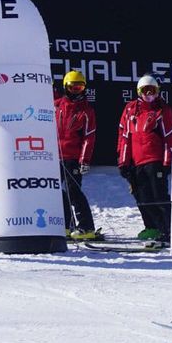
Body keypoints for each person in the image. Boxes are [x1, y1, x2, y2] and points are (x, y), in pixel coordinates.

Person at [116, 74, 172, 247]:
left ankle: (170, 231)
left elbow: (169, 137)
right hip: (137, 161)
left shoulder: (162, 110)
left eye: (153, 91)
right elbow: (124, 137)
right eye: (145, 91)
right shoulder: (130, 109)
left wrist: (167, 162)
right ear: (139, 92)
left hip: (155, 160)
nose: (149, 95)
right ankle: (155, 228)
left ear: (158, 91)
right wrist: (123, 162)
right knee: (142, 197)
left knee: (159, 196)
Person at [56, 70, 100, 241]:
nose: (76, 91)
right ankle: (66, 226)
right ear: (65, 87)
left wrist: (84, 160)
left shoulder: (86, 110)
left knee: (73, 191)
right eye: (72, 88)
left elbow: (89, 136)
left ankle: (86, 227)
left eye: (80, 87)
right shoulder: (56, 106)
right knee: (55, 190)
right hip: (54, 158)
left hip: (73, 158)